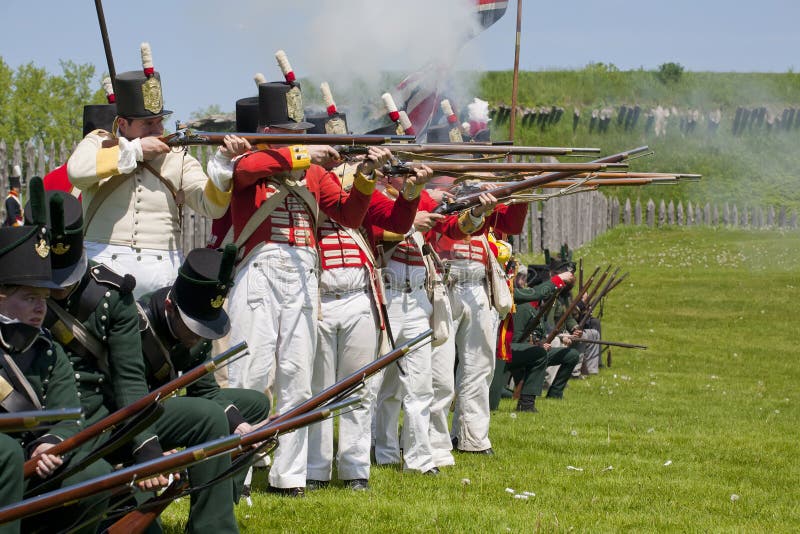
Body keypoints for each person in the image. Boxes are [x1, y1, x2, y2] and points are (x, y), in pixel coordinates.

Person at [226, 79, 390, 496]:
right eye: (289, 132)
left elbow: (349, 215)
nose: (299, 137)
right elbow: (246, 171)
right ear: (267, 134)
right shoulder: (251, 158)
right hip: (259, 267)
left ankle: (290, 476)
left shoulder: (315, 171)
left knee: (297, 376)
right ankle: (237, 476)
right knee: (251, 372)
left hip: (304, 271)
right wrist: (300, 152)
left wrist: (367, 176)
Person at [305, 122, 433, 491]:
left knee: (359, 389)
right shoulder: (307, 181)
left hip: (360, 294)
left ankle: (355, 469)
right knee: (319, 388)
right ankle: (315, 468)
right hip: (319, 294)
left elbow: (396, 221)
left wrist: (411, 192)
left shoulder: (360, 187)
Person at [66, 43, 249, 297]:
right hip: (103, 263)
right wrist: (135, 151)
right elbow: (76, 171)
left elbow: (212, 207)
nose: (156, 129)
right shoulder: (100, 142)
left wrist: (223, 161)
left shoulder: (178, 157)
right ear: (123, 123)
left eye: (159, 122)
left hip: (162, 270)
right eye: (147, 123)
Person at [0, 177, 111, 534]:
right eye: (29, 298)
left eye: (44, 299)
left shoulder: (47, 349)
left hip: (33, 462)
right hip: (5, 459)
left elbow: (67, 415)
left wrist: (48, 443)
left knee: (96, 474)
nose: (39, 308)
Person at [137, 245, 270, 498]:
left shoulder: (199, 323)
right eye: (194, 328)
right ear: (169, 306)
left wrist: (240, 426)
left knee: (255, 404)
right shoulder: (137, 325)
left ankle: (220, 500)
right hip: (137, 419)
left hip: (163, 412)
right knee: (208, 414)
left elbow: (205, 388)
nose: (199, 336)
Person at [427, 180, 528, 457]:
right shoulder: (436, 200)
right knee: (440, 371)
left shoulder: (484, 201)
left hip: (479, 286)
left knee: (479, 367)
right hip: (444, 285)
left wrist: (521, 191)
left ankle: (473, 437)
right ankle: (433, 441)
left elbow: (513, 222)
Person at [489, 266, 575, 412]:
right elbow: (536, 293)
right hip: (495, 350)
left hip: (499, 350)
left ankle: (527, 405)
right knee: (489, 404)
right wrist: (559, 279)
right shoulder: (509, 297)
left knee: (540, 354)